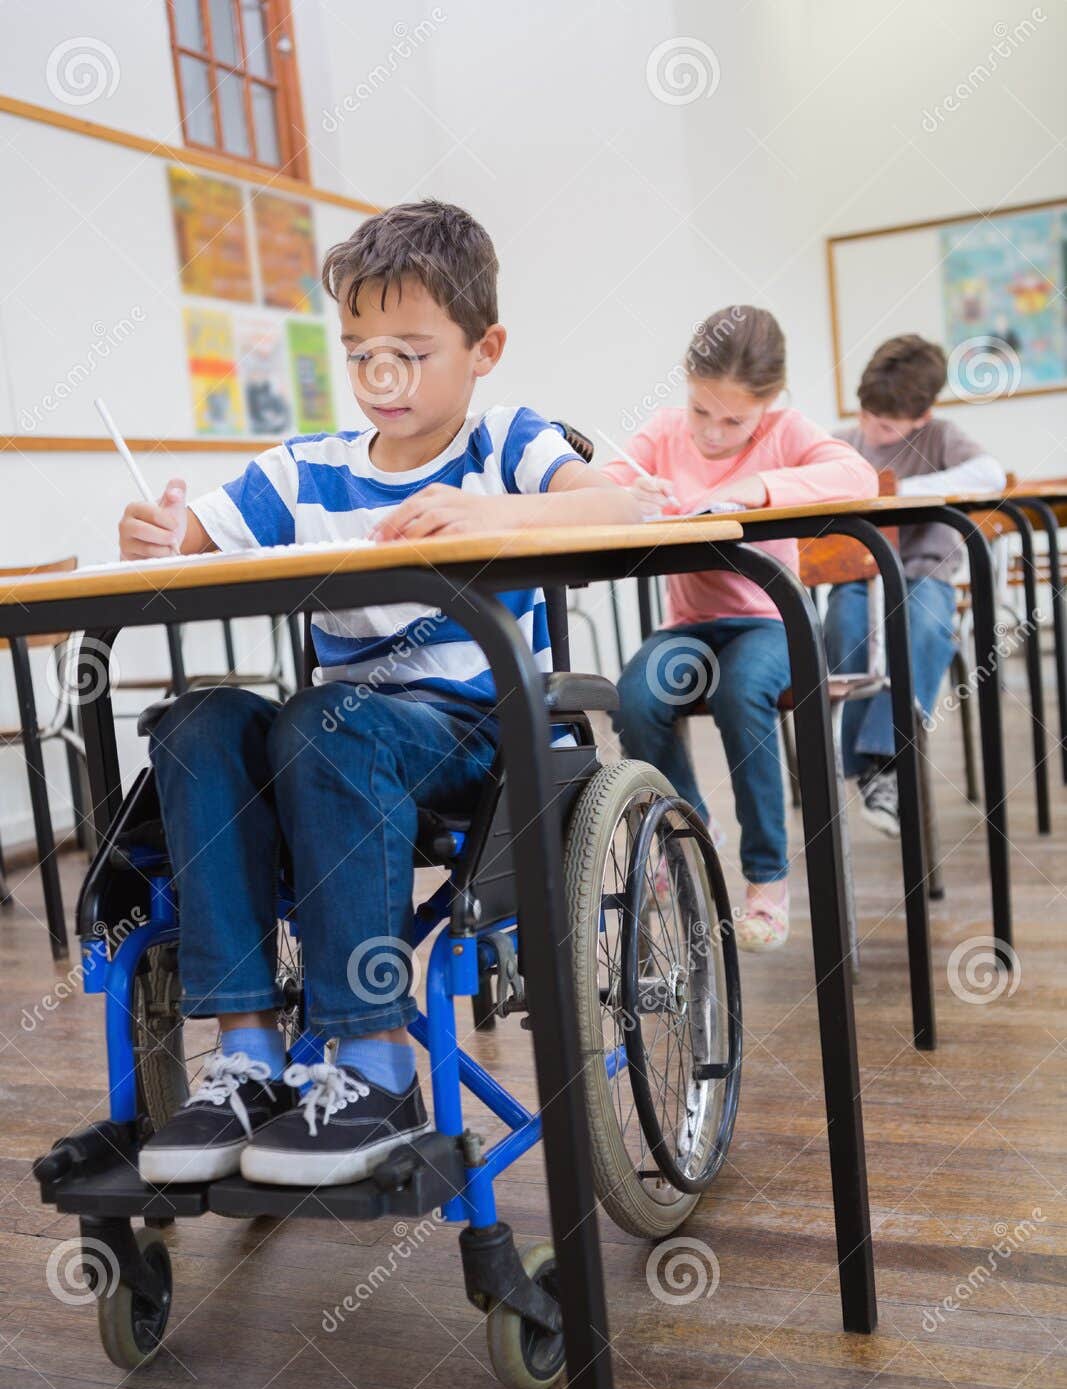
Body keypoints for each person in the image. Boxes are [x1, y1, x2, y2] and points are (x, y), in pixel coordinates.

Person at [117, 199, 640, 1188]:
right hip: (337, 740)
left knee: (324, 722)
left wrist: (489, 514)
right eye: (360, 353)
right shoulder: (301, 470)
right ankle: (247, 1054)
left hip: (474, 734)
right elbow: (190, 541)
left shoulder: (503, 442)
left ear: (483, 349)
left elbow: (623, 504)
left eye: (411, 352)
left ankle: (375, 1065)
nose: (381, 377)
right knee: (199, 722)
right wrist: (155, 532)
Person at [604, 306, 877, 950]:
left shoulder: (785, 433)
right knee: (634, 698)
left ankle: (766, 881)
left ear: (769, 403)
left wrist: (757, 485)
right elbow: (600, 485)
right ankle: (686, 830)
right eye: (701, 410)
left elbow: (858, 475)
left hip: (770, 622)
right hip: (691, 628)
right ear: (686, 385)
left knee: (741, 690)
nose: (712, 433)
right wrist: (624, 497)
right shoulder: (663, 432)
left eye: (734, 422)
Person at [824, 333, 1006, 835]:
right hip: (859, 576)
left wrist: (896, 490)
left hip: (923, 573)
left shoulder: (941, 437)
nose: (871, 429)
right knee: (844, 621)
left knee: (925, 626)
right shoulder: (844, 442)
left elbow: (990, 474)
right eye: (866, 415)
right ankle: (865, 762)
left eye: (885, 425)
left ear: (921, 417)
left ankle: (884, 761)